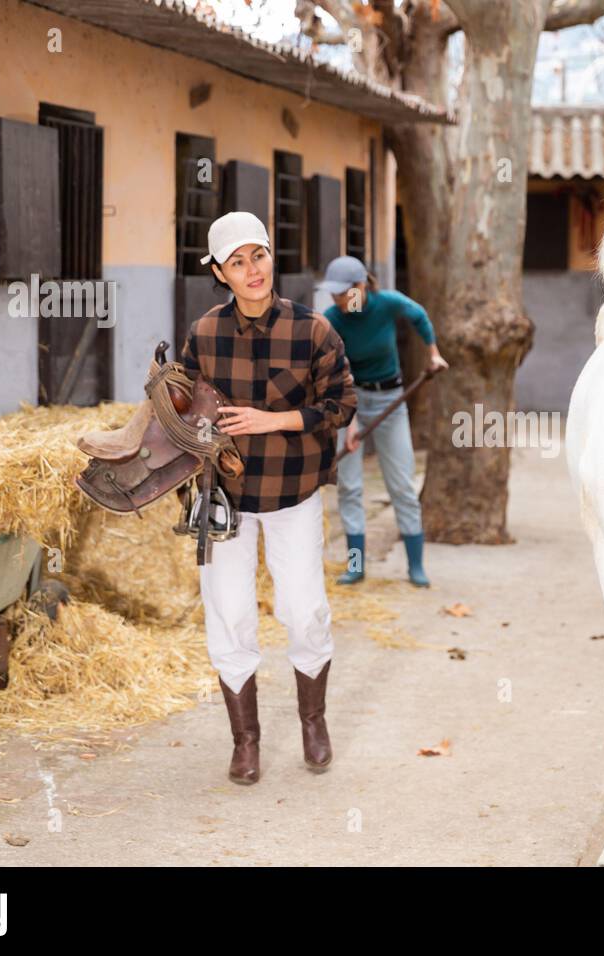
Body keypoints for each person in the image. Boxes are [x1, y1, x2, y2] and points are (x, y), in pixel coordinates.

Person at [181, 211, 357, 786]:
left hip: (294, 494)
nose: (252, 269)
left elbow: (342, 405)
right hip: (224, 500)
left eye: (258, 255)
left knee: (303, 610)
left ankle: (313, 721)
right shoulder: (204, 334)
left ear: (271, 256)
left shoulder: (313, 331)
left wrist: (270, 419)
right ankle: (245, 741)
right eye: (237, 261)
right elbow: (180, 409)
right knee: (229, 615)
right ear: (219, 272)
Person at [320, 255, 448, 587]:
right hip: (350, 401)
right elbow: (335, 373)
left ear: (362, 287)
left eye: (343, 293)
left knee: (402, 484)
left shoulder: (386, 304)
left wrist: (433, 353)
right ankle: (356, 564)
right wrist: (348, 422)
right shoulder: (331, 320)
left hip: (391, 398)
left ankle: (415, 567)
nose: (337, 300)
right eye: (334, 294)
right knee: (349, 486)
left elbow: (419, 317)